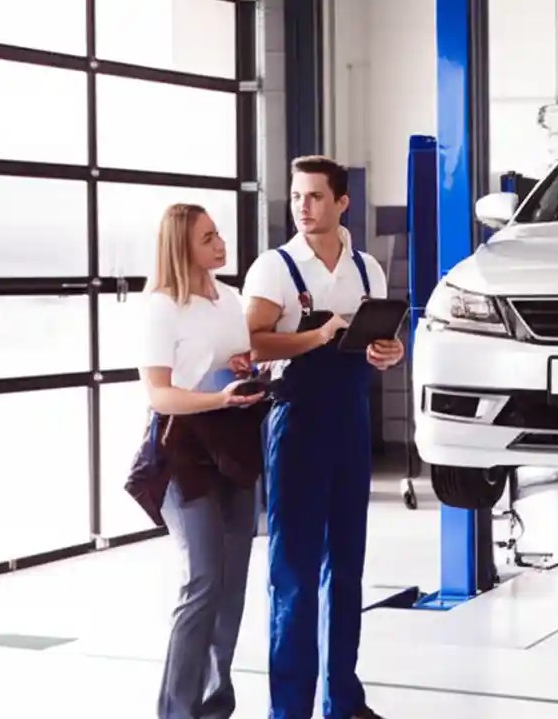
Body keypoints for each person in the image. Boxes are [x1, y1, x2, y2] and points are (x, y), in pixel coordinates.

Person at [242, 156, 404, 719]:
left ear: (342, 203)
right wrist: (317, 337)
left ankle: (343, 701)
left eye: (314, 197)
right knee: (293, 573)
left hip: (350, 421)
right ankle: (288, 711)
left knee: (348, 567)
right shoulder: (274, 268)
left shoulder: (367, 270)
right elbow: (254, 344)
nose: (303, 207)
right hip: (298, 424)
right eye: (296, 197)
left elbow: (380, 345)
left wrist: (390, 352)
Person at [138, 203, 268, 719]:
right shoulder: (162, 306)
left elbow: (232, 362)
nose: (220, 245)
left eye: (219, 235)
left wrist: (242, 365)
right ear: (182, 247)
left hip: (232, 447)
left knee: (231, 585)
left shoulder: (231, 299)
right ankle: (176, 711)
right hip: (183, 452)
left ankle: (216, 706)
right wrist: (218, 399)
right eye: (208, 238)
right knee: (202, 582)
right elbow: (160, 395)